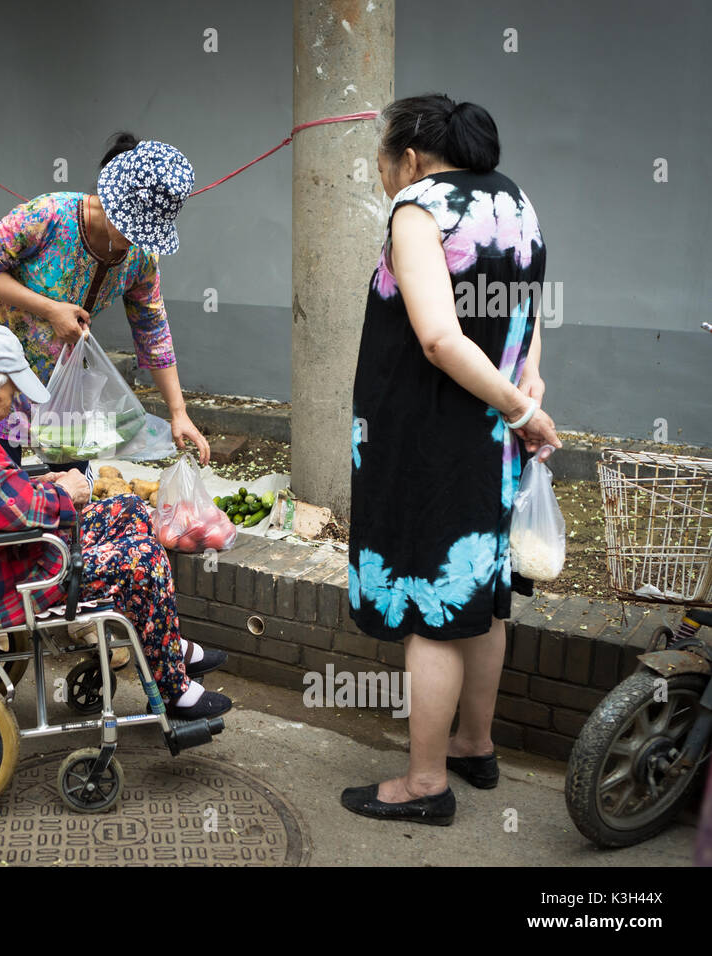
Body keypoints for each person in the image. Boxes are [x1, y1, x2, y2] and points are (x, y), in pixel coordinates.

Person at [341, 95, 562, 825]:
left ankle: (425, 783)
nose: (382, 173)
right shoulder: (517, 201)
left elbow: (437, 337)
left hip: (429, 436)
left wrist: (523, 407)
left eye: (382, 157)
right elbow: (528, 316)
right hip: (491, 435)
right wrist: (524, 389)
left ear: (408, 157)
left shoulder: (418, 208)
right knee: (480, 587)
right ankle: (475, 743)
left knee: (430, 601)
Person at [0, 321, 231, 719]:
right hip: (0, 578)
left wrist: (40, 484)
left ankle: (164, 647)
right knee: (144, 560)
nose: (10, 407)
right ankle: (174, 687)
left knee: (130, 510)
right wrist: (66, 491)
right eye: (10, 394)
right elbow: (16, 512)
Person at [0, 134, 211, 475]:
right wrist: (50, 310)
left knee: (72, 489)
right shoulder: (48, 216)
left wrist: (178, 412)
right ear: (110, 200)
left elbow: (152, 329)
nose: (133, 240)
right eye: (129, 227)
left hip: (66, 386)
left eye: (143, 233)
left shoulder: (141, 258)